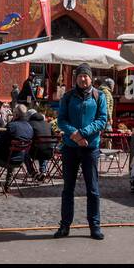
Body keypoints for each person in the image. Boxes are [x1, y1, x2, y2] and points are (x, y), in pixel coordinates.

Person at [54, 63, 107, 240]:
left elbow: (102, 120)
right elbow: (61, 120)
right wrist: (75, 135)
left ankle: (95, 226)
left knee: (92, 189)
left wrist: (83, 133)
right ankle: (64, 226)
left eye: (86, 75)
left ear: (91, 78)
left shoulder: (99, 96)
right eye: (80, 76)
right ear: (75, 78)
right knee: (68, 189)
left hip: (90, 149)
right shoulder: (68, 96)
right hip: (70, 148)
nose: (83, 79)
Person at [28, 108, 54, 177]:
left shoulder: (30, 124)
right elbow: (53, 135)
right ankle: (43, 171)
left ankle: (32, 172)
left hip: (35, 152)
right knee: (44, 146)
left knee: (24, 153)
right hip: (50, 152)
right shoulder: (48, 124)